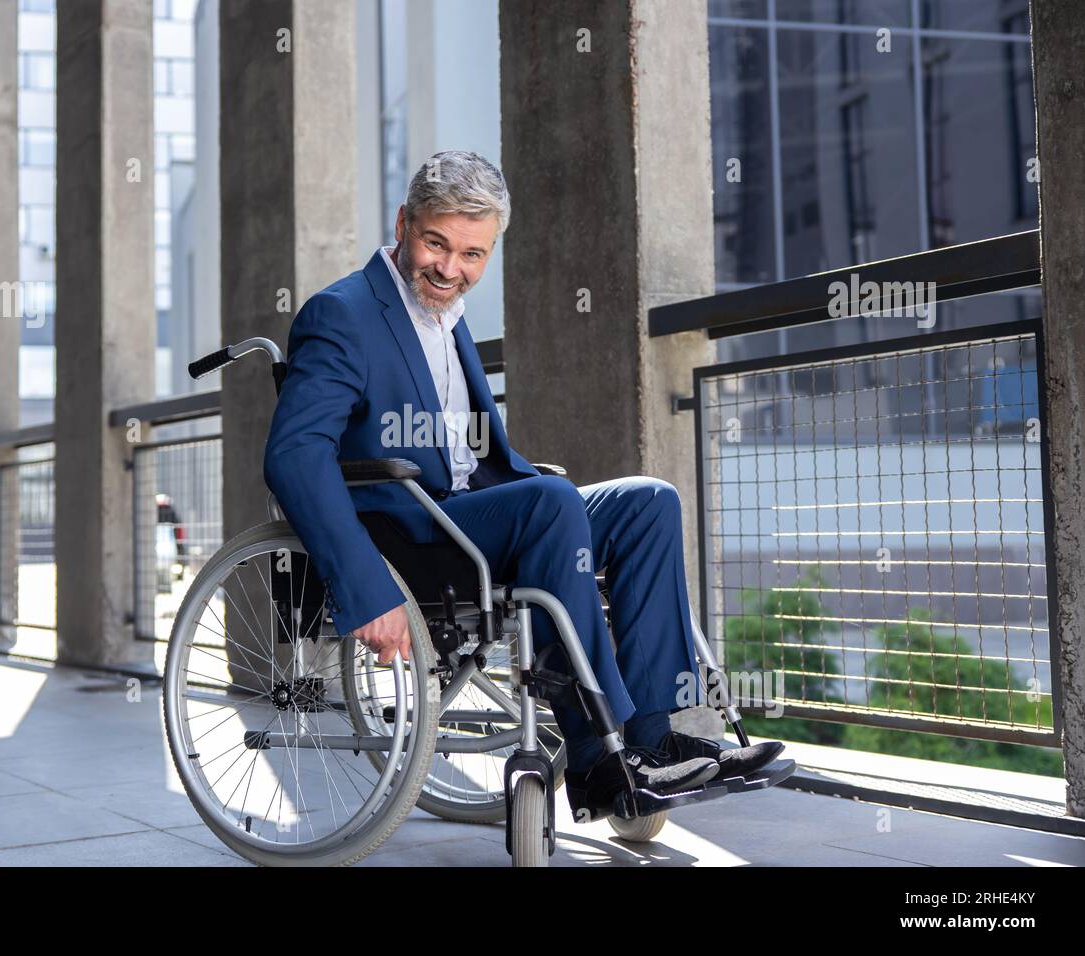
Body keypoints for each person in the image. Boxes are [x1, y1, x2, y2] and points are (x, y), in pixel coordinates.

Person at [263, 150, 783, 820]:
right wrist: (364, 588)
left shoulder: (444, 319)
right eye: (436, 243)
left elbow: (471, 452)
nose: (452, 269)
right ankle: (600, 760)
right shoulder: (344, 313)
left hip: (464, 517)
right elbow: (294, 455)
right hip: (407, 537)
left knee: (649, 502)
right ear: (404, 223)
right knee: (550, 502)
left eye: (473, 255)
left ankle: (654, 739)